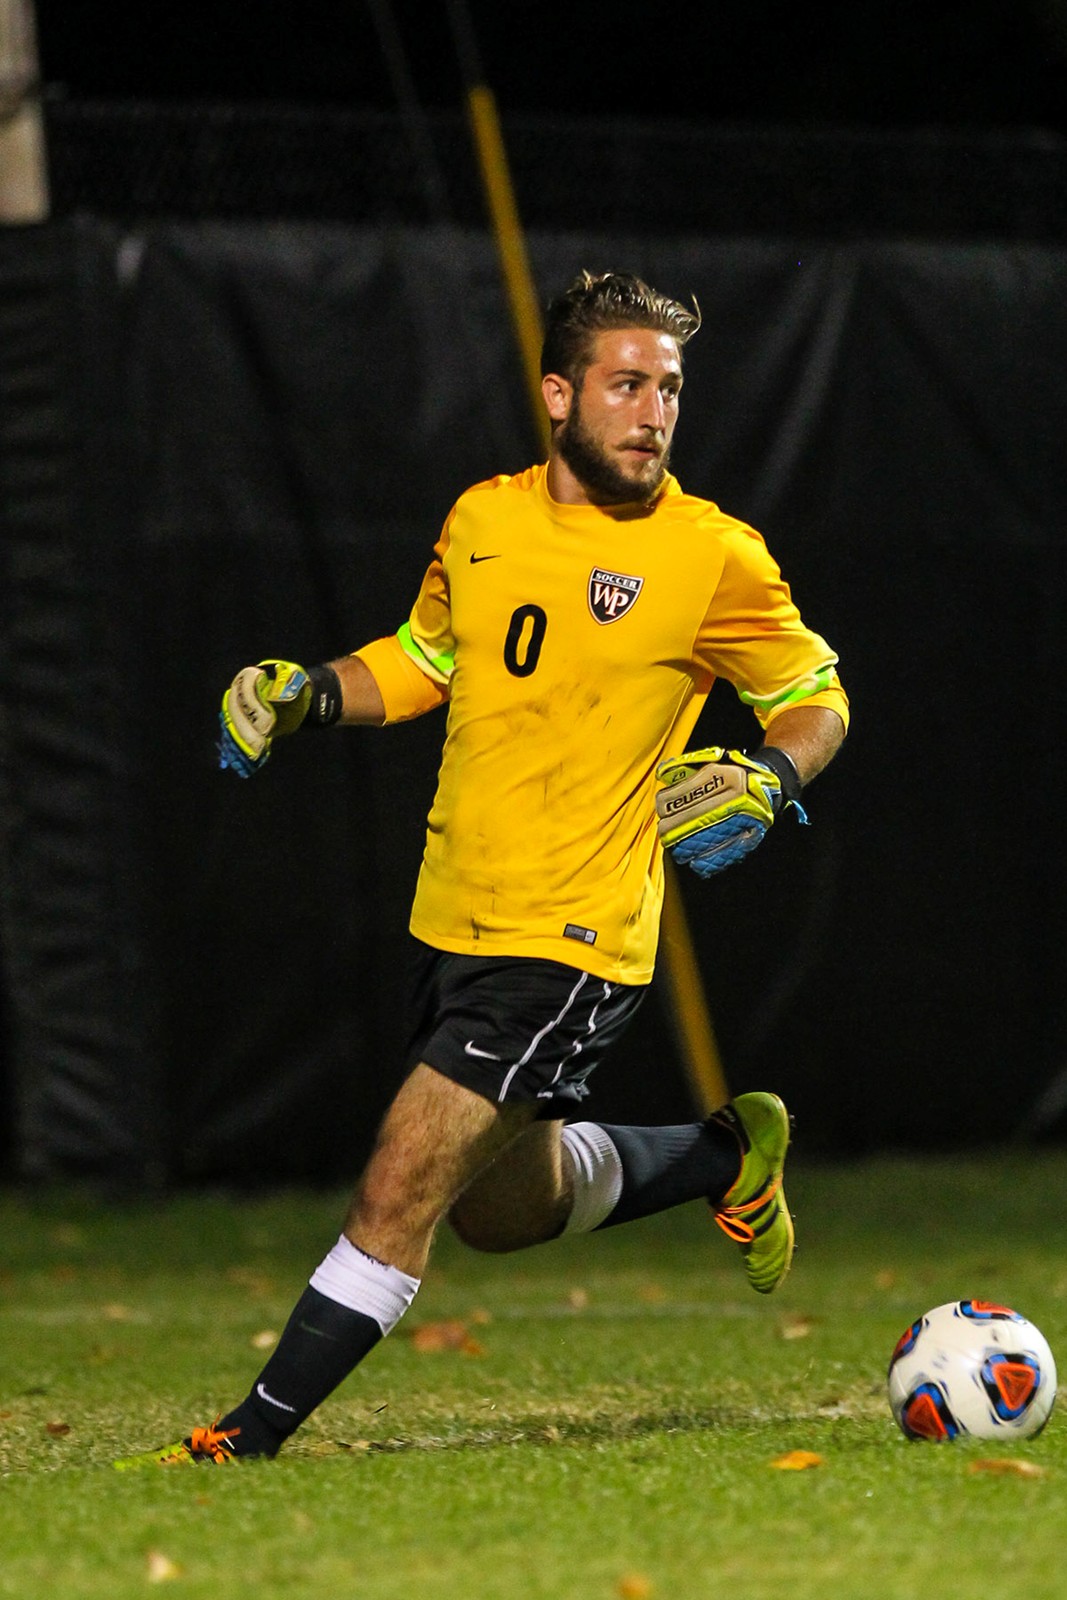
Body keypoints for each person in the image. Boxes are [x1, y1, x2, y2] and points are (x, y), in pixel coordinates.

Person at [116, 270, 848, 1468]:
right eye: (624, 384)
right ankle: (725, 1154)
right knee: (502, 1210)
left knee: (398, 1186)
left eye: (667, 389)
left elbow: (815, 696)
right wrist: (304, 694)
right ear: (557, 395)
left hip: (571, 942)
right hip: (452, 919)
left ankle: (243, 1437)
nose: (651, 411)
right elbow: (422, 658)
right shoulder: (483, 519)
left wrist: (770, 774)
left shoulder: (714, 555)